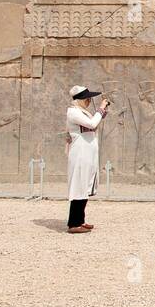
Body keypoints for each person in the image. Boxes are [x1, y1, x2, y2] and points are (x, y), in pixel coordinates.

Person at [66, 85, 110, 234]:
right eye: (87, 99)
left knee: (84, 186)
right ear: (80, 100)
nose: (89, 101)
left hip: (87, 154)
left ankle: (80, 220)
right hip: (80, 154)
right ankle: (73, 223)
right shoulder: (73, 112)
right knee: (79, 186)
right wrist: (100, 109)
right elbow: (91, 124)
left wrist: (101, 112)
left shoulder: (82, 112)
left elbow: (93, 125)